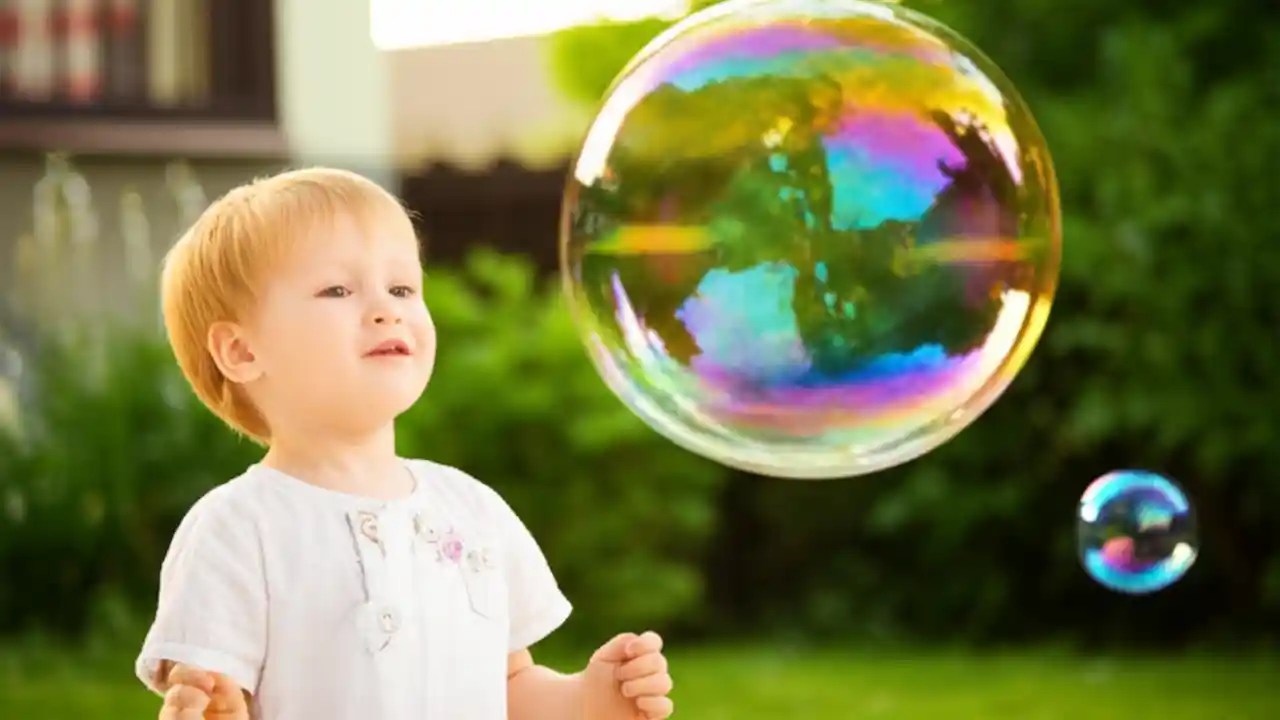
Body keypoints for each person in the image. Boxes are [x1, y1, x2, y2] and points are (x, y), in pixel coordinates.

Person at [134, 167, 675, 720]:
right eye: (338, 289)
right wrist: (216, 709)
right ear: (243, 352)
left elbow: (509, 684)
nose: (387, 308)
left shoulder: (472, 509)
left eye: (401, 288)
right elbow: (215, 693)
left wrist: (588, 699)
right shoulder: (238, 529)